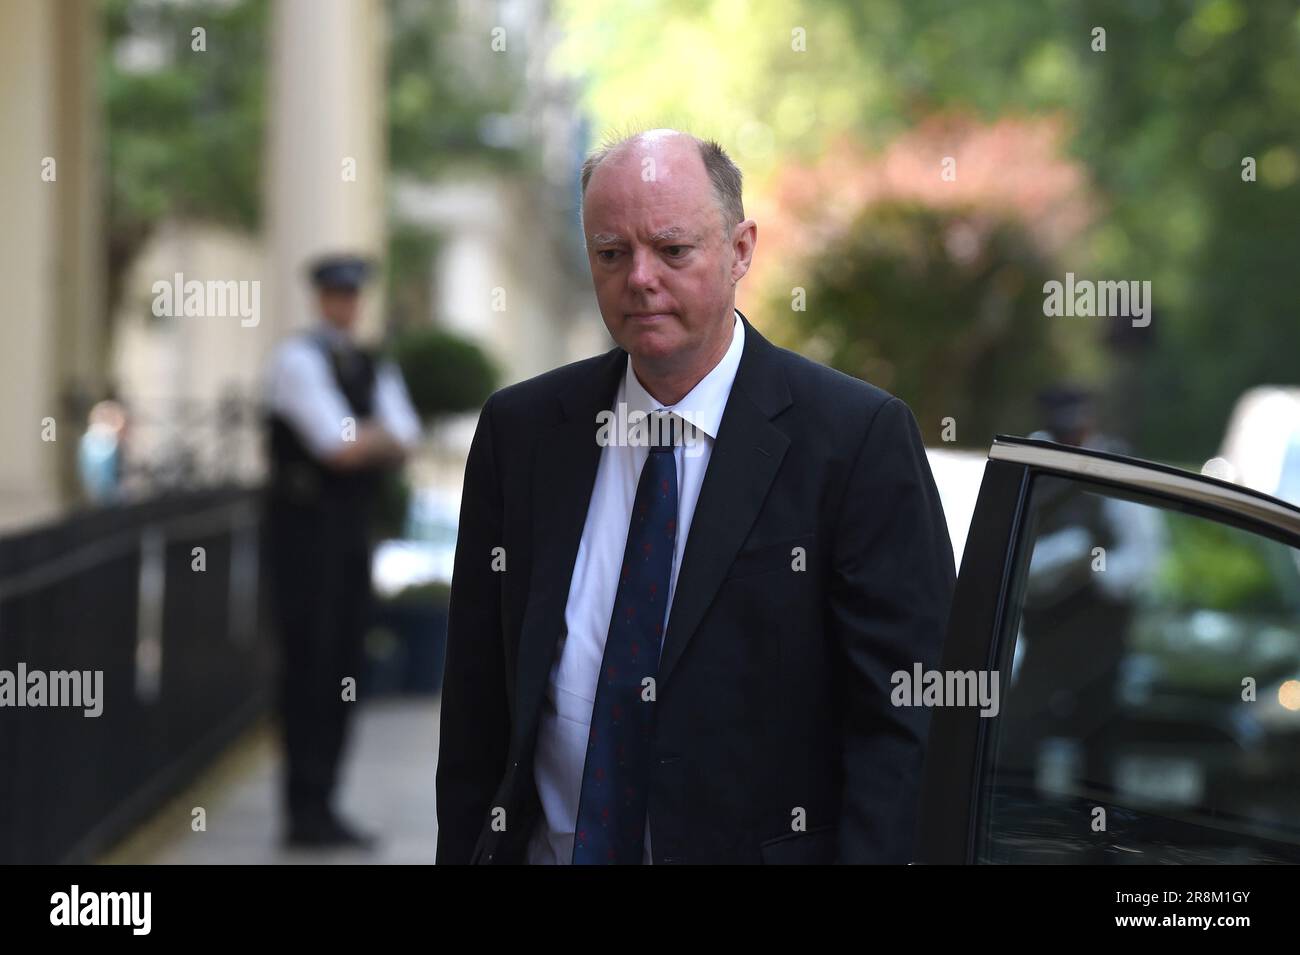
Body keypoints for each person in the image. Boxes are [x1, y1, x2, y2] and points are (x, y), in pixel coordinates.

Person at [435, 130, 955, 865]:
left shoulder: (855, 440)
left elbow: (905, 719)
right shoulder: (521, 432)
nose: (639, 278)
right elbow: (475, 703)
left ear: (741, 250)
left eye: (672, 249)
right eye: (611, 253)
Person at [264, 253, 421, 849]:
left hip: (351, 538)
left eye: (352, 295)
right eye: (337, 293)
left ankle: (324, 803)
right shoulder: (297, 360)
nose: (346, 304)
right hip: (303, 541)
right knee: (308, 667)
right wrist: (373, 438)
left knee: (343, 667)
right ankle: (303, 808)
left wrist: (366, 441)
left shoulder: (370, 363)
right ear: (321, 297)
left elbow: (403, 437)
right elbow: (338, 446)